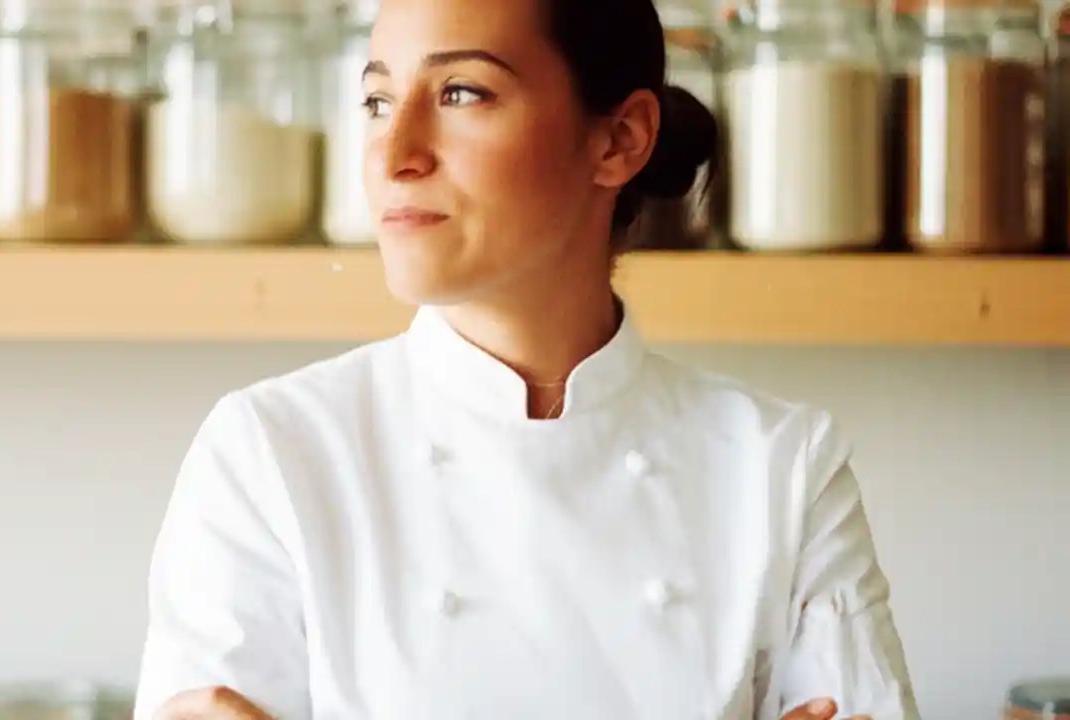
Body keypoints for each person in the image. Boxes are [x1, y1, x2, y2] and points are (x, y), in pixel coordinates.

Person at [134, 0, 919, 716]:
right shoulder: (270, 454)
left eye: (461, 93)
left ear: (619, 140)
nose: (394, 152)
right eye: (377, 101)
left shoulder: (784, 468)